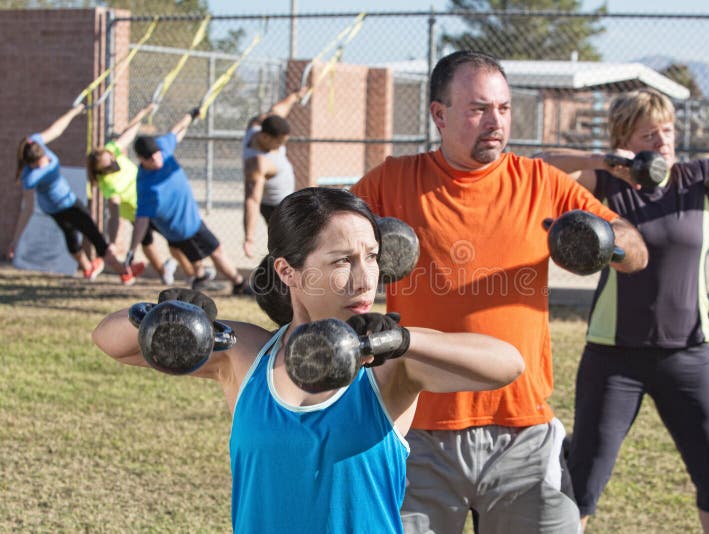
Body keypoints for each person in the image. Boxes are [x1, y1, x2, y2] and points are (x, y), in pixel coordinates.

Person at [92, 186, 525, 533]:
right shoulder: (246, 356)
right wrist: (159, 316)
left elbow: (507, 364)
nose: (364, 279)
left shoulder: (390, 364)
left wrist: (405, 340)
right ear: (287, 272)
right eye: (342, 261)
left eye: (372, 257)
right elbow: (111, 341)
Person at [350, 50, 649, 533]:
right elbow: (327, 231)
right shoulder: (393, 180)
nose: (495, 121)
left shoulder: (541, 183)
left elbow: (637, 251)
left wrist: (605, 242)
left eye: (504, 109)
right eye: (478, 109)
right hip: (416, 430)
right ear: (438, 115)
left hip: (522, 434)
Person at [537, 88, 709, 534]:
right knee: (586, 476)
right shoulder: (607, 185)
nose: (662, 141)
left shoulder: (700, 178)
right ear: (625, 139)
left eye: (668, 131)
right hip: (614, 357)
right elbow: (539, 168)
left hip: (689, 354)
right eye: (649, 134)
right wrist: (603, 160)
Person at [9, 103, 144, 285]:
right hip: (57, 208)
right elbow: (28, 209)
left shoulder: (34, 143)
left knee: (85, 233)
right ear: (31, 164)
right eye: (42, 163)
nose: (47, 162)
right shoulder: (30, 177)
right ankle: (123, 272)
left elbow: (56, 130)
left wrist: (74, 111)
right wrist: (15, 242)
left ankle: (89, 268)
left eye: (46, 158)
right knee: (82, 236)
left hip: (69, 200)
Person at [127, 108, 251, 295]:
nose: (157, 158)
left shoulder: (163, 147)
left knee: (198, 260)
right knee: (217, 251)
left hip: (186, 223)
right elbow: (142, 220)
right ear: (141, 160)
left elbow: (176, 132)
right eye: (151, 158)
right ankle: (239, 283)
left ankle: (200, 279)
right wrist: (132, 250)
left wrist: (191, 115)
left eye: (158, 154)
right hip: (183, 229)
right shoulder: (146, 185)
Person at [87, 102, 183, 285]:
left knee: (174, 237)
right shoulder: (107, 184)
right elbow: (114, 215)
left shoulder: (111, 150)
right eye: (109, 161)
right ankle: (164, 273)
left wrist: (144, 112)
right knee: (147, 243)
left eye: (111, 156)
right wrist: (113, 242)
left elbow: (127, 134)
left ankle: (183, 265)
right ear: (103, 168)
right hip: (138, 213)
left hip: (153, 200)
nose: (113, 159)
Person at [242, 86, 309, 259]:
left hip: (288, 199)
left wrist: (295, 96)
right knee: (291, 250)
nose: (280, 147)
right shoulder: (258, 163)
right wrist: (249, 237)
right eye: (278, 143)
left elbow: (276, 111)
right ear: (265, 137)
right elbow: (252, 200)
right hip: (277, 208)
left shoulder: (255, 127)